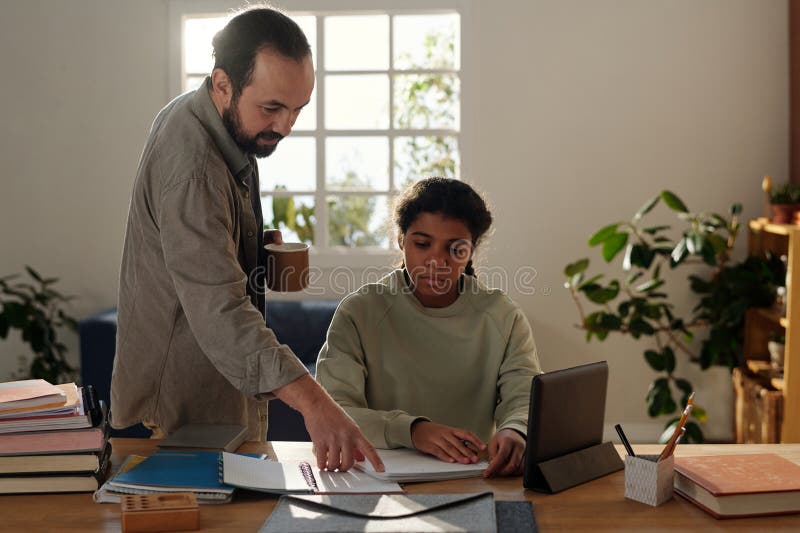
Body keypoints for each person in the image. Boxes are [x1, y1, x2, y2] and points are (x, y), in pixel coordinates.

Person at [110, 7, 382, 473]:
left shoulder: (215, 120)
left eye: (297, 109)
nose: (286, 126)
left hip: (212, 400)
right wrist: (316, 403)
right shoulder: (193, 167)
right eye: (272, 108)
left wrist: (250, 245)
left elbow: (196, 248)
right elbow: (219, 310)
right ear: (222, 84)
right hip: (175, 414)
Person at [316, 177, 542, 477]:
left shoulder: (502, 316)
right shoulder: (360, 312)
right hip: (380, 478)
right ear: (401, 239)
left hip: (472, 475)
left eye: (455, 249)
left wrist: (516, 431)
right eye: (422, 244)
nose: (436, 261)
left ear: (472, 250)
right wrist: (412, 431)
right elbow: (334, 411)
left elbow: (525, 396)